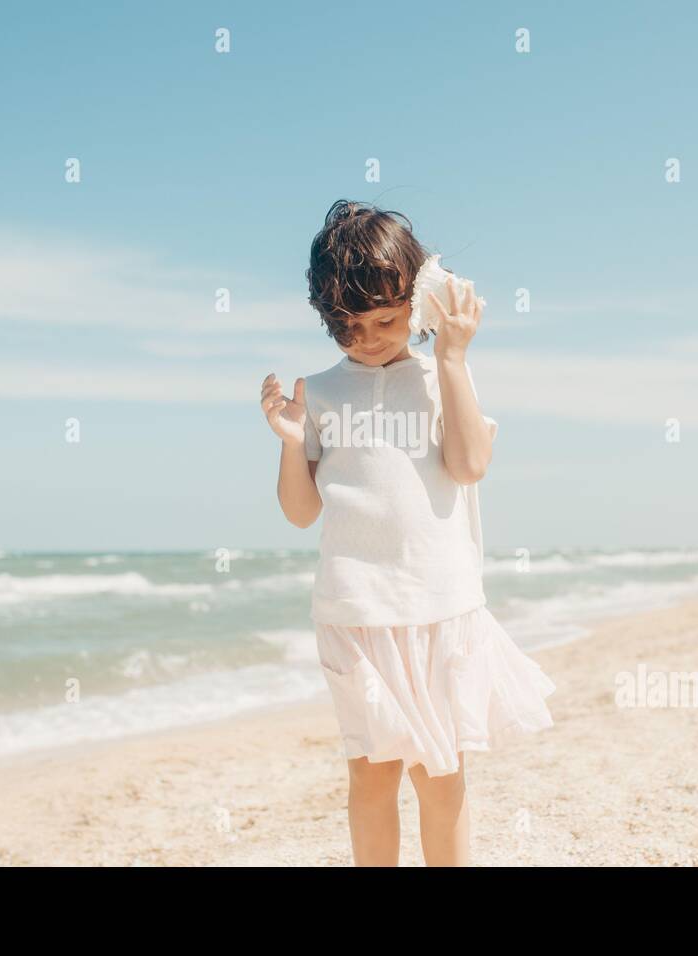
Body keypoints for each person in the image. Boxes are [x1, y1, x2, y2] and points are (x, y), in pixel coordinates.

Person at [259, 199, 556, 866]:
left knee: (441, 775)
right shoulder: (320, 392)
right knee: (369, 774)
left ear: (416, 300)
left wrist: (451, 358)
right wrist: (288, 442)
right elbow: (301, 512)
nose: (367, 337)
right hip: (355, 612)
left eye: (386, 320)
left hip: (439, 609)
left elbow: (470, 464)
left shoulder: (440, 376)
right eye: (347, 326)